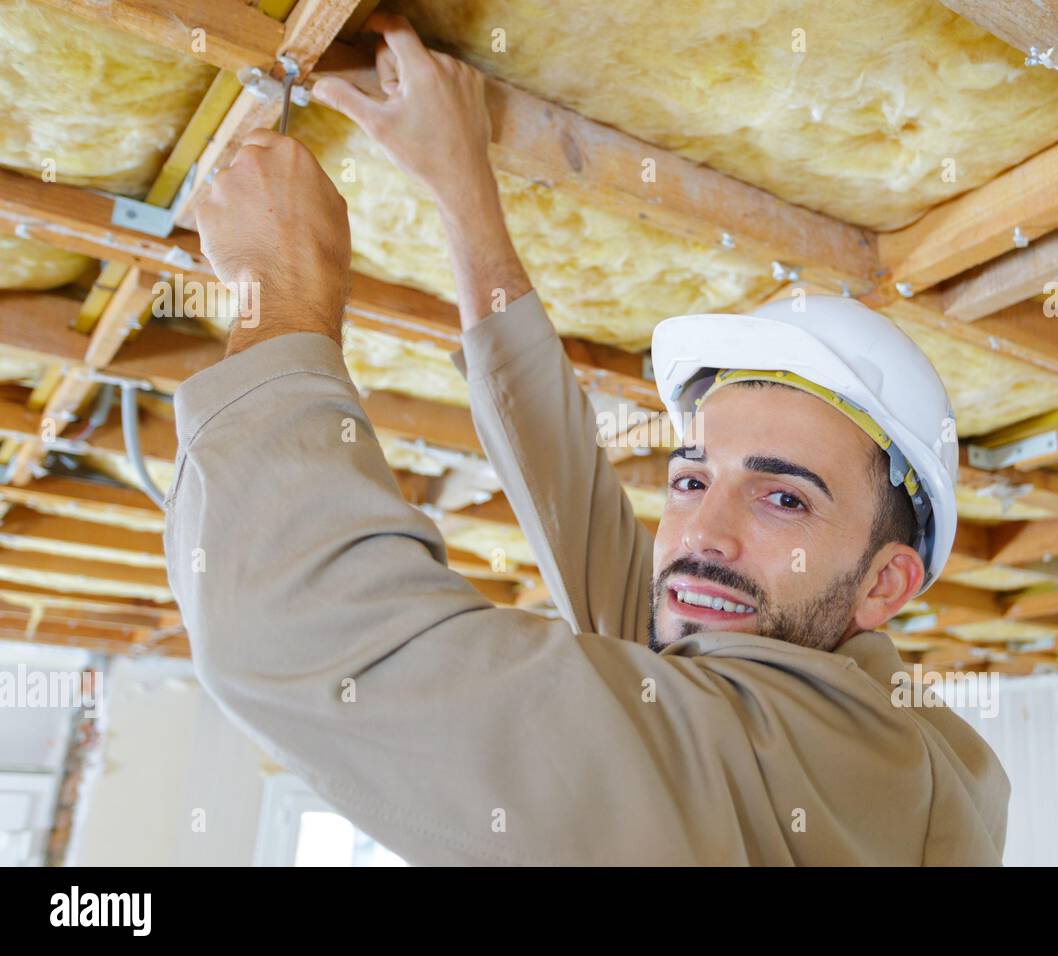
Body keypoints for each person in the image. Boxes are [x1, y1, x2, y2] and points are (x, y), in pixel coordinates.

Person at [169, 12, 1009, 865]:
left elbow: (293, 631)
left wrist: (281, 289)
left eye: (784, 497)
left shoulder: (793, 762)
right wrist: (464, 192)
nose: (700, 538)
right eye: (690, 479)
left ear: (884, 584)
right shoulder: (854, 709)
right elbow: (578, 510)